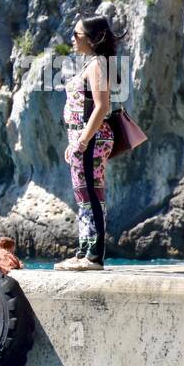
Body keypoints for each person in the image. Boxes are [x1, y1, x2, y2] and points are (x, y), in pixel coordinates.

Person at [55, 14, 120, 271]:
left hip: (91, 137)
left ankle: (93, 256)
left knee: (91, 194)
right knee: (84, 194)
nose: (72, 39)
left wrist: (81, 141)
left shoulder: (97, 65)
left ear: (93, 39)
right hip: (83, 137)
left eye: (77, 35)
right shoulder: (91, 64)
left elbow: (102, 106)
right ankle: (84, 252)